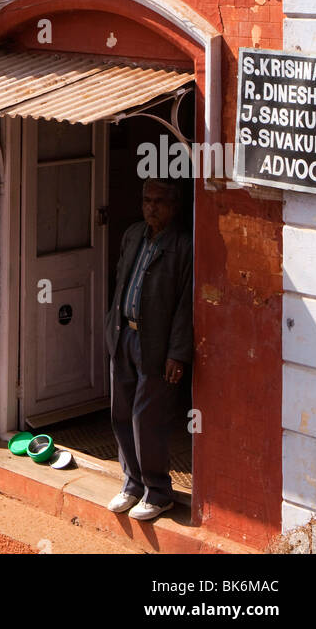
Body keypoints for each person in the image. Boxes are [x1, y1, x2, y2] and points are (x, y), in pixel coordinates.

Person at [104, 177, 192, 522]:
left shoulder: (183, 246)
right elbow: (119, 283)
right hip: (124, 334)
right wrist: (111, 331)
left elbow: (186, 304)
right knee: (120, 413)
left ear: (174, 205)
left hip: (156, 344)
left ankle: (158, 491)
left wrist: (178, 353)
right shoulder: (133, 235)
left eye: (159, 201)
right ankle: (132, 483)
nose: (151, 207)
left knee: (146, 418)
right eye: (146, 200)